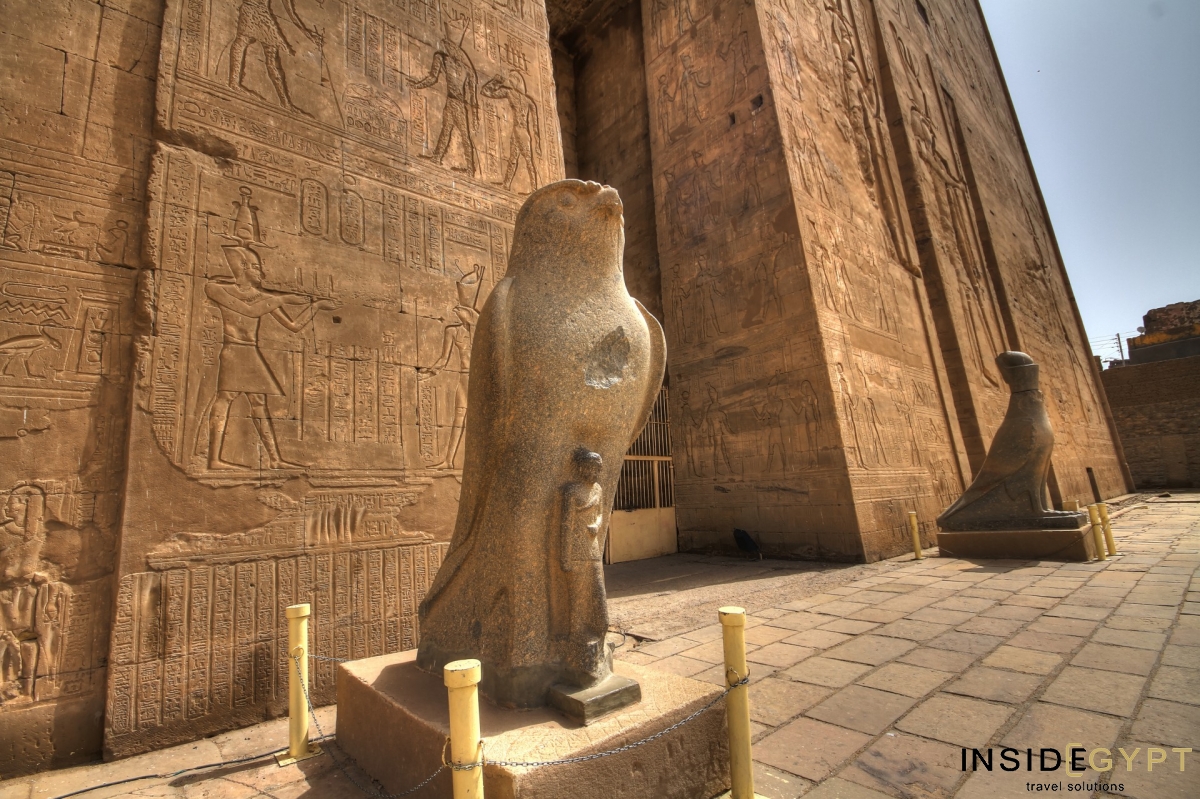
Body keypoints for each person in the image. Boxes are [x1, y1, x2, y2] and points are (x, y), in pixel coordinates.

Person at [204, 245, 336, 470]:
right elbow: (248, 311)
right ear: (242, 267)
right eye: (255, 267)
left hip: (250, 351)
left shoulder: (263, 298)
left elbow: (293, 326)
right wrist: (282, 299)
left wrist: (316, 306)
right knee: (225, 397)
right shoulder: (216, 288)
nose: (260, 272)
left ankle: (275, 459)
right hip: (234, 350)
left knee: (258, 403)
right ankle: (214, 459)